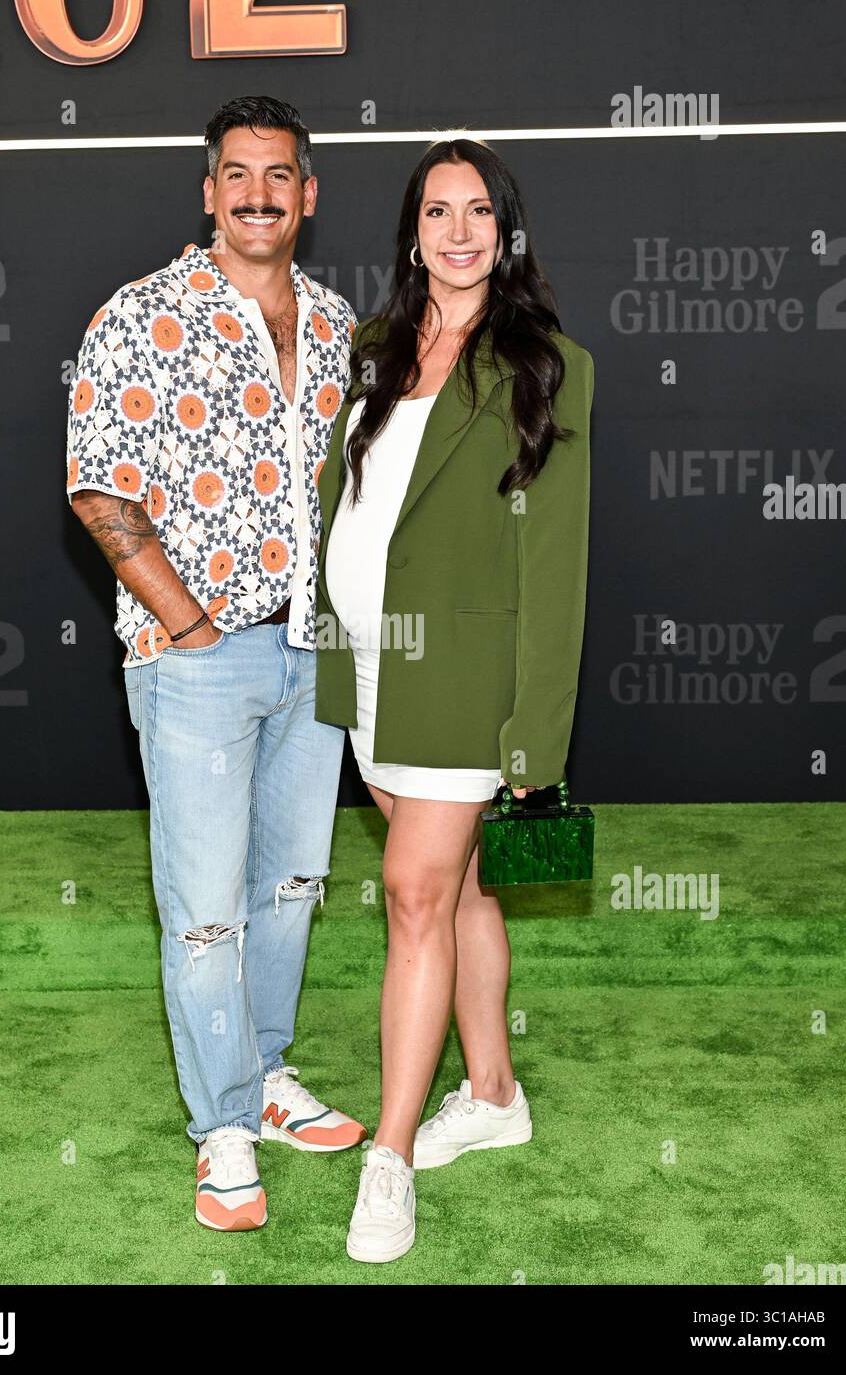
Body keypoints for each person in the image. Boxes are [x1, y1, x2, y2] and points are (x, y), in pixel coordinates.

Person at [66, 95, 366, 1235]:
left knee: (289, 888)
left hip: (316, 646)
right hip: (196, 661)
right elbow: (99, 484)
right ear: (208, 191)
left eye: (278, 175)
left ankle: (267, 1077)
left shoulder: (340, 324)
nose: (257, 194)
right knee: (204, 909)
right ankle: (222, 1125)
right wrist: (189, 624)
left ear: (308, 193)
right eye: (236, 175)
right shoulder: (141, 314)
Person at [314, 138, 594, 1263]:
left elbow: (557, 567)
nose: (460, 231)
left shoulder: (548, 363)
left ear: (507, 230)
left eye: (481, 211)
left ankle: (386, 1157)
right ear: (413, 231)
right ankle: (492, 1092)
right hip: (375, 671)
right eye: (439, 211)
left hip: (468, 684)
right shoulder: (372, 346)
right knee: (462, 882)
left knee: (412, 895)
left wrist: (537, 729)